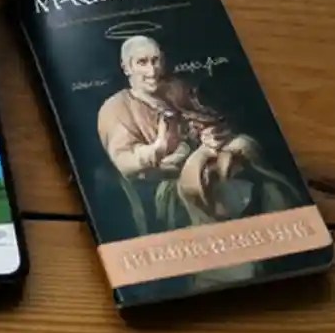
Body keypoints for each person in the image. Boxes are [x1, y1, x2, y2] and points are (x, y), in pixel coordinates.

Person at [96, 36, 300, 232]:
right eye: (142, 63)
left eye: (156, 61)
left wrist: (213, 133)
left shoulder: (176, 89)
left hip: (209, 158)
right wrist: (158, 147)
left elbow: (206, 117)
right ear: (126, 67)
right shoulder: (116, 108)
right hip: (169, 182)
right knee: (215, 186)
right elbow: (124, 163)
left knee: (250, 155)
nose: (152, 70)